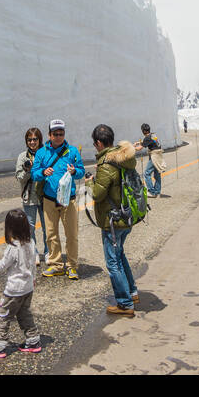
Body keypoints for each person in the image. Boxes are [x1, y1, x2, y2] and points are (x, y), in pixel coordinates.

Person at [89, 124, 140, 317]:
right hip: (127, 216)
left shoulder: (107, 164)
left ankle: (125, 303)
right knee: (120, 255)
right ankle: (132, 292)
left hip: (113, 220)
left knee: (112, 262)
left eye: (95, 144)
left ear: (100, 143)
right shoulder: (123, 158)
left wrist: (89, 181)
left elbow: (97, 194)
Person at [0, 210, 41, 358]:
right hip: (28, 288)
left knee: (3, 316)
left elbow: (2, 265)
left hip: (13, 290)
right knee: (24, 313)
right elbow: (33, 263)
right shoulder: (31, 242)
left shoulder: (13, 247)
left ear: (10, 229)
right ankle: (33, 341)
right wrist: (33, 277)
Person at [33, 119, 84, 278]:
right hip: (49, 199)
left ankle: (72, 265)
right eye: (55, 134)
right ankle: (55, 264)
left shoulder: (73, 151)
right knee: (51, 233)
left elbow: (82, 171)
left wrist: (75, 171)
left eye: (61, 133)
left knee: (71, 234)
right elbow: (34, 174)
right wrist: (42, 173)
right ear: (49, 135)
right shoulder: (41, 152)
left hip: (69, 199)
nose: (58, 136)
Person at [15, 127, 49, 264]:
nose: (32, 142)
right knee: (30, 227)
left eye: (35, 139)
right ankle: (34, 253)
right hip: (29, 197)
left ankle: (48, 252)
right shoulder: (23, 156)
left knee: (48, 227)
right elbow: (19, 177)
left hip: (45, 196)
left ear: (40, 139)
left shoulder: (46, 154)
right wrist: (27, 170)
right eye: (29, 140)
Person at [138, 123, 166, 198]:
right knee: (157, 174)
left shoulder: (147, 138)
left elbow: (140, 148)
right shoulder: (153, 135)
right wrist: (139, 143)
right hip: (159, 155)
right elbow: (149, 142)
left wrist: (129, 147)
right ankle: (157, 191)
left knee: (147, 174)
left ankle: (151, 192)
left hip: (154, 156)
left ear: (143, 131)